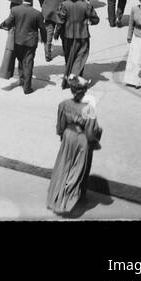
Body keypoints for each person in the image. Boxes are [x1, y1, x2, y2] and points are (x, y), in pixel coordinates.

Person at [46, 76, 102, 216]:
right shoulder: (88, 109)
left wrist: (63, 136)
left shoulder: (64, 104)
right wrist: (97, 135)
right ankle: (72, 198)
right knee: (79, 169)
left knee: (64, 165)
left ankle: (56, 198)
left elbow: (60, 126)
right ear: (84, 91)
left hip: (68, 136)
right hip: (81, 139)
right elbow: (90, 133)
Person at [56, 0, 99, 87]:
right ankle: (75, 77)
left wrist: (56, 33)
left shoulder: (64, 5)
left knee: (69, 57)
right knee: (81, 57)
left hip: (67, 35)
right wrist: (91, 21)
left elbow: (60, 20)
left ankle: (70, 79)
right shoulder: (85, 5)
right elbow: (95, 19)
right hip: (82, 35)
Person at [1, 0, 43, 94]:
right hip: (31, 43)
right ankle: (27, 87)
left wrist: (2, 25)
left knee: (20, 61)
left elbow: (8, 22)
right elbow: (42, 28)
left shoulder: (15, 10)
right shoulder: (37, 13)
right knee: (28, 63)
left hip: (18, 41)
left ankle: (22, 80)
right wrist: (45, 39)